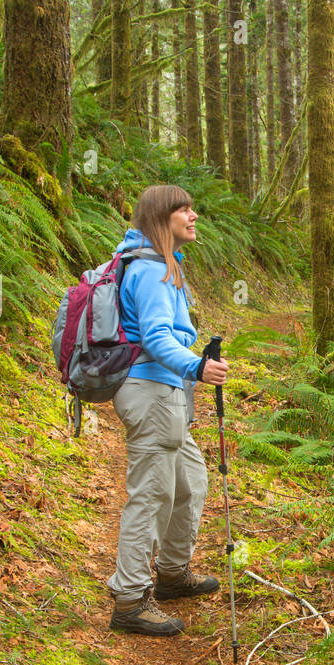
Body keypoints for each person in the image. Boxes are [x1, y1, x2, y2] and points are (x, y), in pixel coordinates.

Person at [106, 184, 230, 636]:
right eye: (185, 209)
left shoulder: (160, 265)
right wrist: (197, 366)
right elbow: (157, 338)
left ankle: (173, 574)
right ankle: (129, 600)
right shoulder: (152, 270)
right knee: (151, 494)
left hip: (163, 392)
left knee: (190, 482)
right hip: (151, 392)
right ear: (162, 218)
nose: (194, 216)